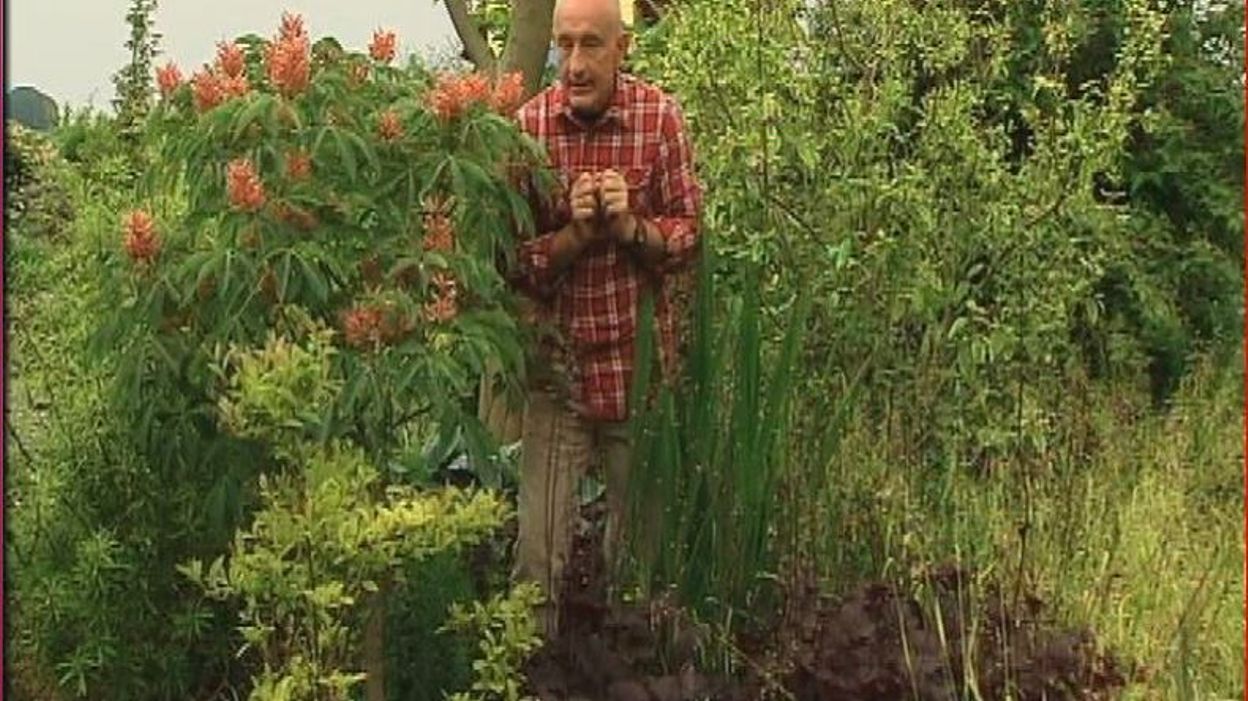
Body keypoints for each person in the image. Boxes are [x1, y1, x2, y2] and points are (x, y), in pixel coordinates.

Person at [507, 0, 703, 640]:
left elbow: (690, 238)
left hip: (639, 376)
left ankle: (637, 673)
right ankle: (528, 675)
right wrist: (578, 234)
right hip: (560, 377)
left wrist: (628, 228)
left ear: (623, 50)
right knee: (535, 567)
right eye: (564, 46)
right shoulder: (528, 128)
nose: (574, 64)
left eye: (591, 45)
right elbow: (512, 262)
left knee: (642, 572)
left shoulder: (660, 119)